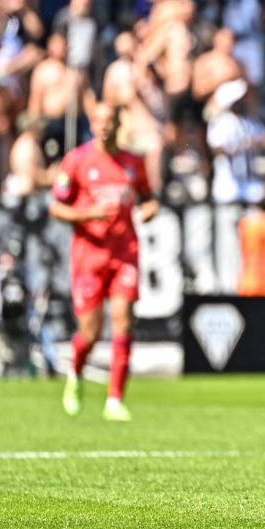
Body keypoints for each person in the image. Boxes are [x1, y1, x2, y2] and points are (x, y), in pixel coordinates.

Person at [50, 102, 159, 422]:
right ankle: (76, 373)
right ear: (91, 124)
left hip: (124, 252)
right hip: (89, 256)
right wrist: (87, 214)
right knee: (91, 333)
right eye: (98, 120)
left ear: (117, 123)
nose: (103, 126)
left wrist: (149, 210)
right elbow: (57, 207)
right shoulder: (77, 160)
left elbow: (148, 197)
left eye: (109, 120)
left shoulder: (133, 162)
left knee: (124, 320)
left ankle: (114, 399)